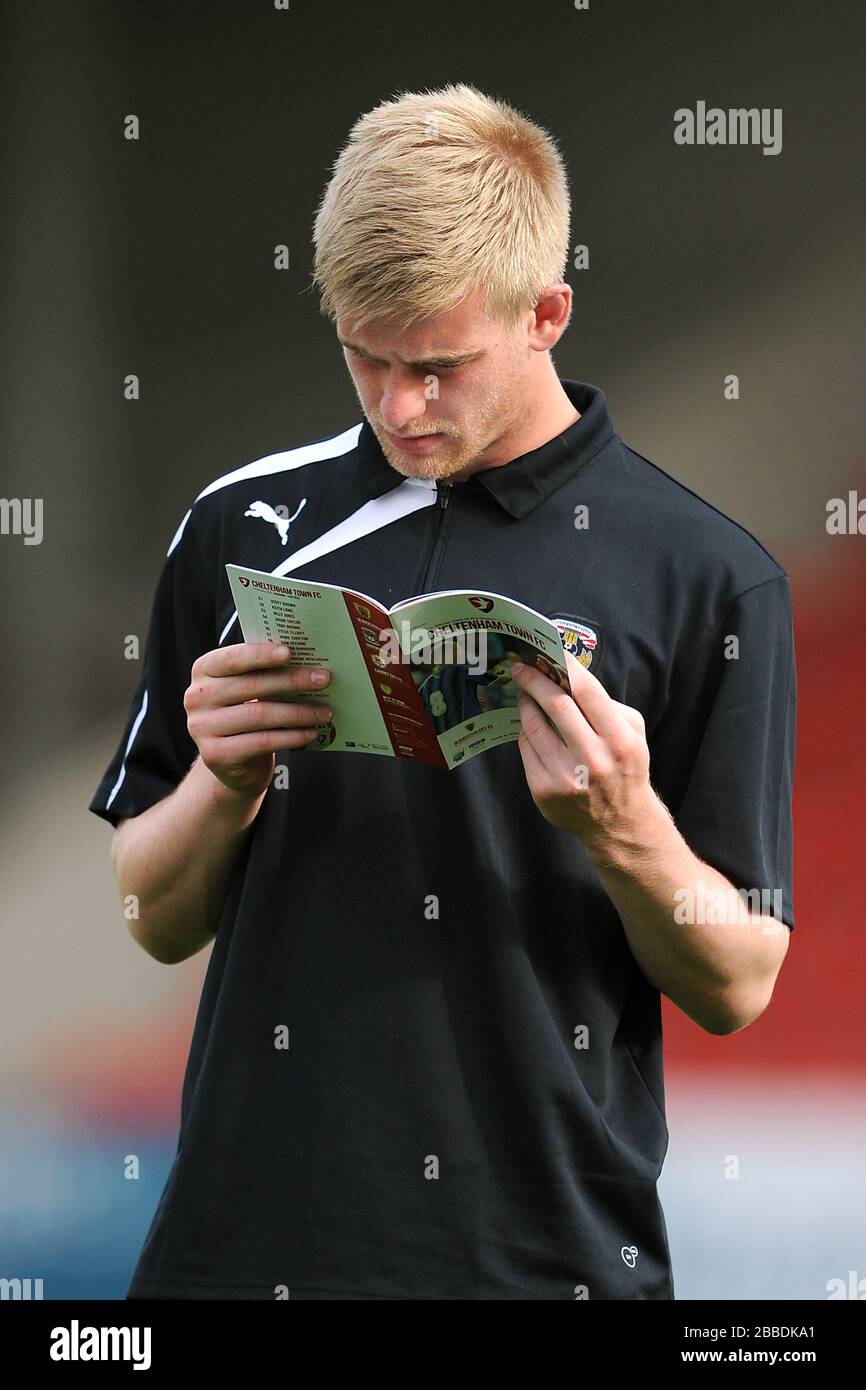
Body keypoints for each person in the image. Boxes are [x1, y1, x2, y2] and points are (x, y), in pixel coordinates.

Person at [89, 83, 795, 1300]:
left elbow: (736, 981)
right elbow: (153, 920)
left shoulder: (710, 577)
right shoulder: (242, 525)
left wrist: (623, 827)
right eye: (365, 358)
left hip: (540, 1258)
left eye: (439, 366)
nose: (399, 406)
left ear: (547, 313)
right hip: (240, 1254)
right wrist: (219, 783)